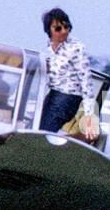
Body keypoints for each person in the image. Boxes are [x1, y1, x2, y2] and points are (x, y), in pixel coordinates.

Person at [39, 8, 98, 139]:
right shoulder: (48, 48)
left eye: (67, 26)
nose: (64, 31)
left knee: (42, 134)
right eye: (58, 28)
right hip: (53, 95)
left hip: (68, 98)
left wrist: (89, 116)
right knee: (37, 129)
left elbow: (86, 81)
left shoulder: (76, 47)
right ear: (49, 31)